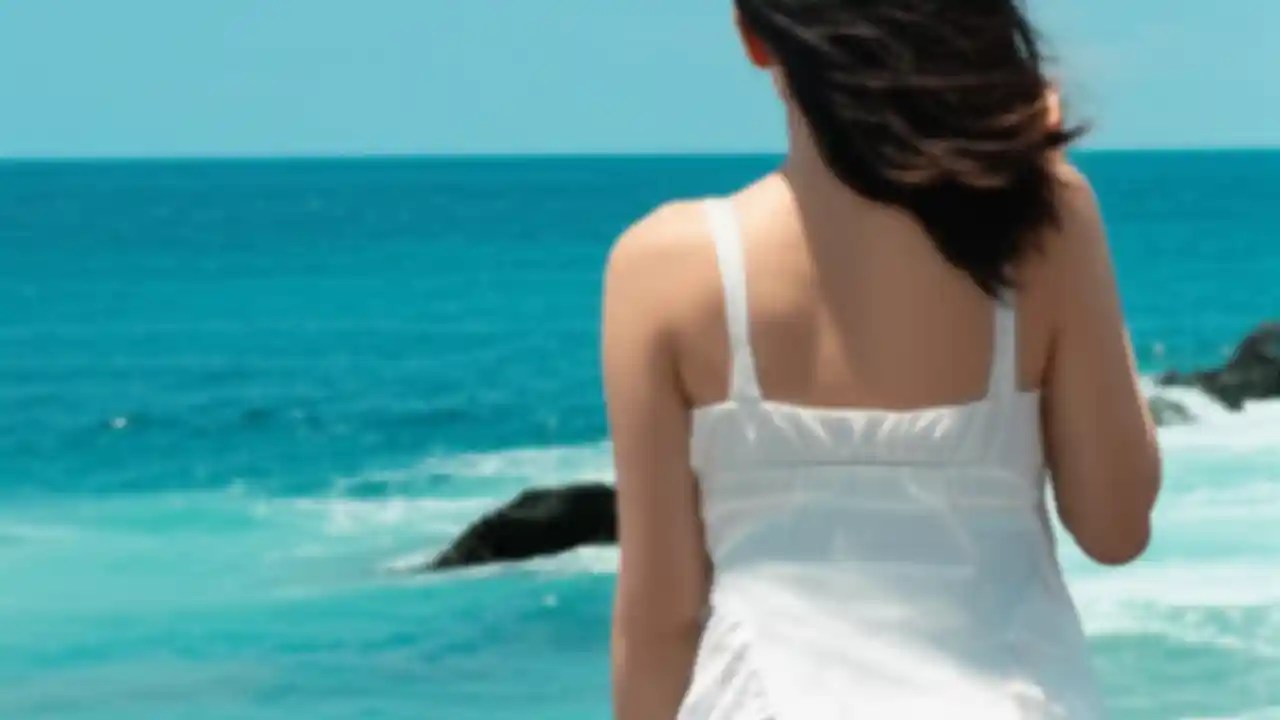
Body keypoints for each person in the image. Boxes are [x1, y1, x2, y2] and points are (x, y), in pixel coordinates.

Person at [601, 1, 1161, 718]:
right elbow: (1116, 527)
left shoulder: (666, 267)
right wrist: (1043, 167)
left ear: (755, 39)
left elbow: (660, 622)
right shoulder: (1043, 229)